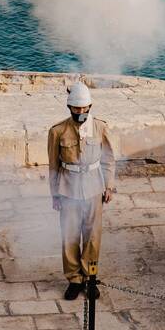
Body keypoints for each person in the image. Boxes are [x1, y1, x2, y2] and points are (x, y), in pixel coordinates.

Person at [47, 81, 115, 299]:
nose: (81, 112)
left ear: (90, 107)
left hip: (93, 187)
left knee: (93, 236)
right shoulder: (58, 131)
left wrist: (109, 185)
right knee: (70, 236)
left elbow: (108, 159)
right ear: (69, 108)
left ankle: (90, 276)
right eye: (76, 109)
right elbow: (53, 166)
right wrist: (54, 194)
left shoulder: (100, 127)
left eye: (84, 109)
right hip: (68, 188)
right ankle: (74, 279)